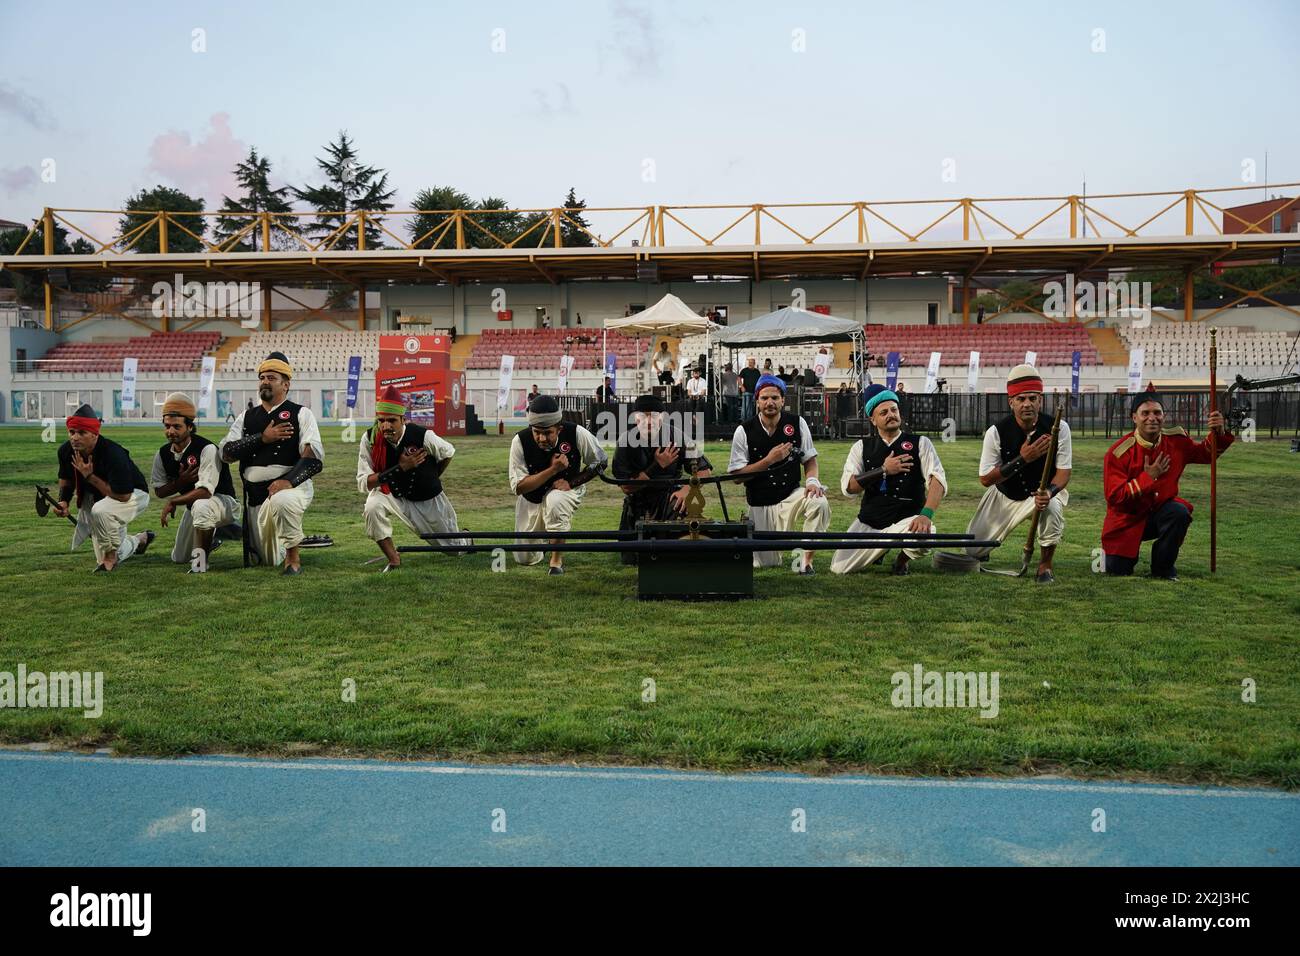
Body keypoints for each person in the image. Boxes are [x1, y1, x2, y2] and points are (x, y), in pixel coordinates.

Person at [1102, 393, 1232, 580]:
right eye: (1145, 413)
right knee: (1116, 569)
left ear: (1164, 416)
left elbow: (1205, 454)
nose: (1152, 418)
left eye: (1157, 412)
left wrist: (1218, 432)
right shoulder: (1119, 452)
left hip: (1160, 513)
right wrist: (1148, 477)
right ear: (1134, 417)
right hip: (1126, 521)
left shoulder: (1177, 441)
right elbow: (1115, 497)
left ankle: (1163, 568)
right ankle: (1114, 556)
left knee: (1178, 513)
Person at [963, 365, 1071, 583]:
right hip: (1004, 495)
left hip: (1039, 495)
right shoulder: (996, 432)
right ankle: (985, 548)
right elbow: (985, 479)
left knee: (1051, 506)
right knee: (972, 550)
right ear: (1010, 402)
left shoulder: (1059, 428)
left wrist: (1049, 493)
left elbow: (1063, 472)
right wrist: (1023, 459)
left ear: (1040, 400)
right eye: (1021, 399)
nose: (1027, 404)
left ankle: (1045, 565)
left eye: (1033, 398)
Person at [220, 352, 324, 575]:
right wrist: (262, 438)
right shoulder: (246, 417)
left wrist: (287, 481)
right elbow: (226, 453)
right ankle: (291, 540)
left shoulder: (301, 414)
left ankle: (293, 559)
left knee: (283, 500)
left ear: (285, 384)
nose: (265, 382)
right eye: (262, 377)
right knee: (266, 561)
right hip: (255, 496)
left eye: (272, 378)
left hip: (291, 487)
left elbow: (313, 459)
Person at [830, 384, 947, 575]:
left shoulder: (921, 443)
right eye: (883, 412)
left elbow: (937, 481)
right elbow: (849, 487)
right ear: (873, 419)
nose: (891, 415)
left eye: (894, 410)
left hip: (908, 520)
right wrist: (883, 470)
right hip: (871, 520)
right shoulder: (860, 447)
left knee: (926, 534)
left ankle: (901, 561)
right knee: (839, 568)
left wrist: (926, 514)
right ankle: (879, 551)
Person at [358, 385, 467, 572]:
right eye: (381, 420)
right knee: (372, 508)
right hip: (391, 494)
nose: (386, 426)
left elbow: (448, 452)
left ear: (403, 419)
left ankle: (466, 538)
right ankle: (393, 559)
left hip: (426, 497)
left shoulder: (423, 436)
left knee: (455, 550)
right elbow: (365, 482)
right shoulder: (370, 438)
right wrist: (401, 467)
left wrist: (433, 475)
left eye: (392, 420)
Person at [729, 374, 830, 573]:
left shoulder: (797, 423)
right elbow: (736, 477)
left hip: (790, 496)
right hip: (760, 503)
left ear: (783, 400)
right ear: (757, 401)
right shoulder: (743, 431)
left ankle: (806, 560)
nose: (770, 402)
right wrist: (768, 460)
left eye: (775, 398)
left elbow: (809, 459)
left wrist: (812, 481)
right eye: (765, 398)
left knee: (819, 502)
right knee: (766, 563)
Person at [508, 395, 608, 574]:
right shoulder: (519, 441)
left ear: (559, 428)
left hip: (564, 492)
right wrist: (553, 470)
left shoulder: (577, 433)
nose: (541, 438)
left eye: (547, 432)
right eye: (537, 432)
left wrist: (572, 482)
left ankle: (556, 561)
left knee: (555, 502)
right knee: (524, 558)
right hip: (531, 497)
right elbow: (519, 487)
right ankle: (548, 542)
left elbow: (601, 461)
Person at [612, 394, 714, 565]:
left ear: (662, 417)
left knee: (672, 554)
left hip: (671, 498)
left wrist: (687, 490)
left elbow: (704, 471)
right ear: (635, 418)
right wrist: (657, 466)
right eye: (643, 415)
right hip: (638, 501)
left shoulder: (678, 436)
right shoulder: (625, 442)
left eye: (653, 415)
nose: (649, 420)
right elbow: (627, 487)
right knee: (632, 559)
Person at [52, 404, 154, 572]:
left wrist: (90, 477)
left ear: (95, 434)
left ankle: (110, 556)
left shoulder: (114, 454)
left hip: (133, 495)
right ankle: (140, 540)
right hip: (101, 498)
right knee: (112, 549)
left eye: (81, 432)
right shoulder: (65, 451)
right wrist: (63, 501)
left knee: (101, 511)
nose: (75, 438)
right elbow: (66, 478)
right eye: (72, 432)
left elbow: (123, 497)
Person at [151, 392, 238, 572]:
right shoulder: (162, 454)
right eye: (167, 426)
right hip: (195, 506)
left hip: (224, 502)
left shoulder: (207, 449)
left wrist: (174, 501)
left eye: (177, 426)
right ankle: (209, 538)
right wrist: (180, 483)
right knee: (179, 557)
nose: (171, 431)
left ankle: (200, 563)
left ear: (190, 426)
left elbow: (206, 492)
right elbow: (159, 491)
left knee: (201, 505)